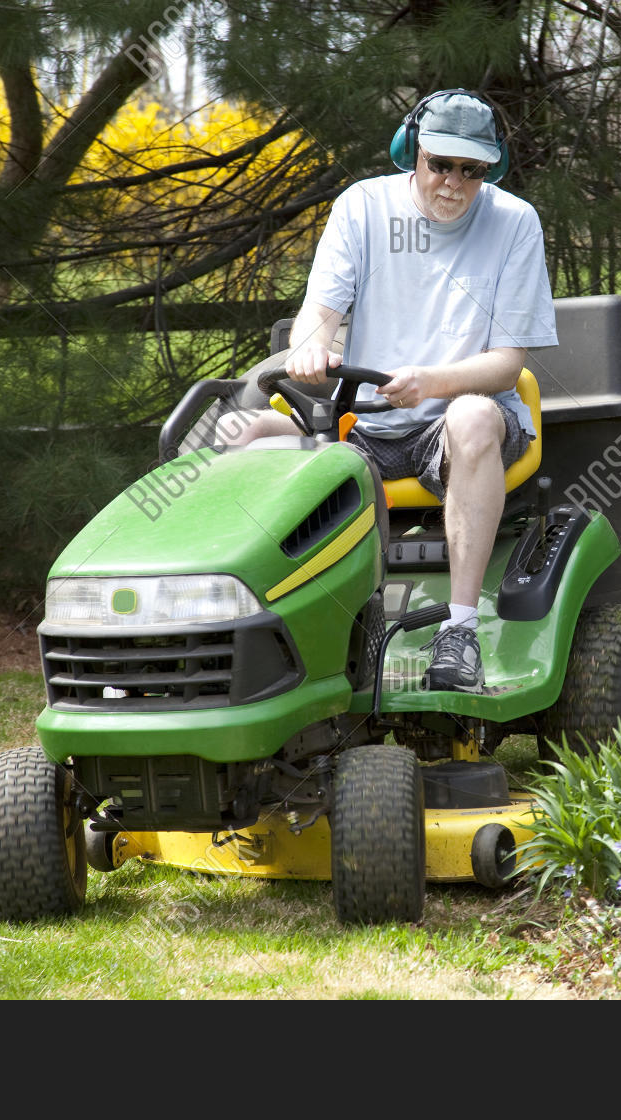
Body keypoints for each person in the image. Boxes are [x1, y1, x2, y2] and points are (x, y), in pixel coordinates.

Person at [218, 89, 557, 692]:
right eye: (440, 165)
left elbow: (507, 364)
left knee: (475, 418)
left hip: (455, 424)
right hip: (367, 422)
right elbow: (320, 311)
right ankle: (246, 627)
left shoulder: (514, 223)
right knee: (238, 434)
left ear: (489, 170)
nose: (453, 182)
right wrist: (314, 347)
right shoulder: (362, 206)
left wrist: (433, 381)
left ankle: (459, 632)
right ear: (412, 153)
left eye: (471, 170)